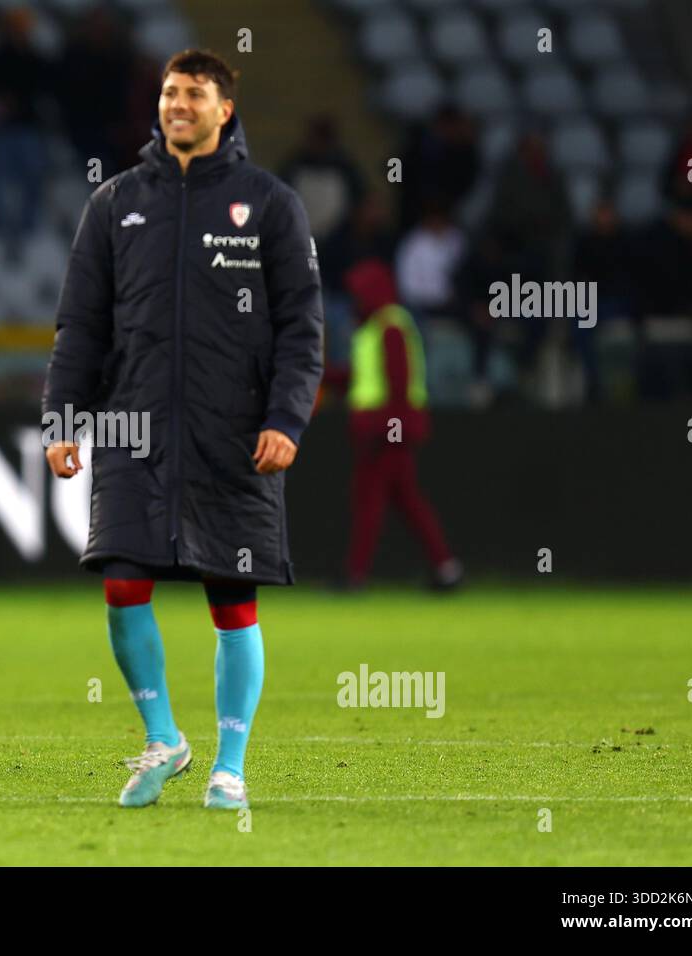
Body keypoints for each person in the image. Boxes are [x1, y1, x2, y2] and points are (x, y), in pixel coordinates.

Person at [42, 50, 322, 810]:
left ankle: (230, 763)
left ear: (224, 109)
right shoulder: (115, 202)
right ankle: (164, 738)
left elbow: (303, 326)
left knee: (232, 597)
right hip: (133, 426)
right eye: (170, 93)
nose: (178, 105)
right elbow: (81, 326)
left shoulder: (269, 203)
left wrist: (286, 416)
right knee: (123, 583)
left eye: (194, 94)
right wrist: (65, 417)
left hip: (233, 430)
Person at [341, 259, 461, 590]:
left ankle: (355, 577)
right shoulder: (377, 326)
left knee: (371, 502)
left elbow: (398, 386)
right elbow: (366, 378)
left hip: (387, 435)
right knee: (407, 502)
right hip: (389, 433)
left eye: (359, 292)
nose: (355, 298)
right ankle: (447, 570)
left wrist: (388, 433)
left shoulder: (389, 327)